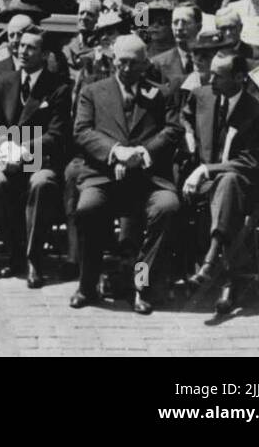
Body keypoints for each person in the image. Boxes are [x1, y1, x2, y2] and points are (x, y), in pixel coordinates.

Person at [70, 34, 182, 315]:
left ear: (146, 64)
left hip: (147, 178)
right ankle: (87, 283)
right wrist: (116, 152)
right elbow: (82, 131)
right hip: (104, 174)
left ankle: (140, 285)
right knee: (88, 207)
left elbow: (172, 131)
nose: (128, 69)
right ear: (112, 61)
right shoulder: (93, 91)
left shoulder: (162, 93)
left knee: (167, 207)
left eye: (134, 63)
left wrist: (142, 153)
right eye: (122, 62)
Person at [0, 28, 70, 287]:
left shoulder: (59, 86)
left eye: (31, 48)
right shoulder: (5, 81)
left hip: (41, 160)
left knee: (41, 185)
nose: (22, 51)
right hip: (8, 159)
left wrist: (25, 149)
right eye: (20, 46)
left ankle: (34, 259)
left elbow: (58, 134)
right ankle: (14, 253)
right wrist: (4, 146)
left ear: (44, 54)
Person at [182, 52, 259, 315]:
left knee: (229, 182)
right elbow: (184, 116)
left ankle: (211, 259)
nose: (211, 79)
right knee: (223, 189)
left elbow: (249, 161)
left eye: (218, 75)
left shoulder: (257, 112)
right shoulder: (201, 96)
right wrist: (187, 134)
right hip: (204, 181)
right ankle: (236, 275)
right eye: (210, 72)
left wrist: (207, 169)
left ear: (240, 78)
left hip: (243, 184)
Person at [150, 3, 201, 89]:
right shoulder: (158, 64)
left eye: (185, 22)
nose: (179, 28)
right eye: (175, 22)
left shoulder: (210, 59)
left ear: (199, 26)